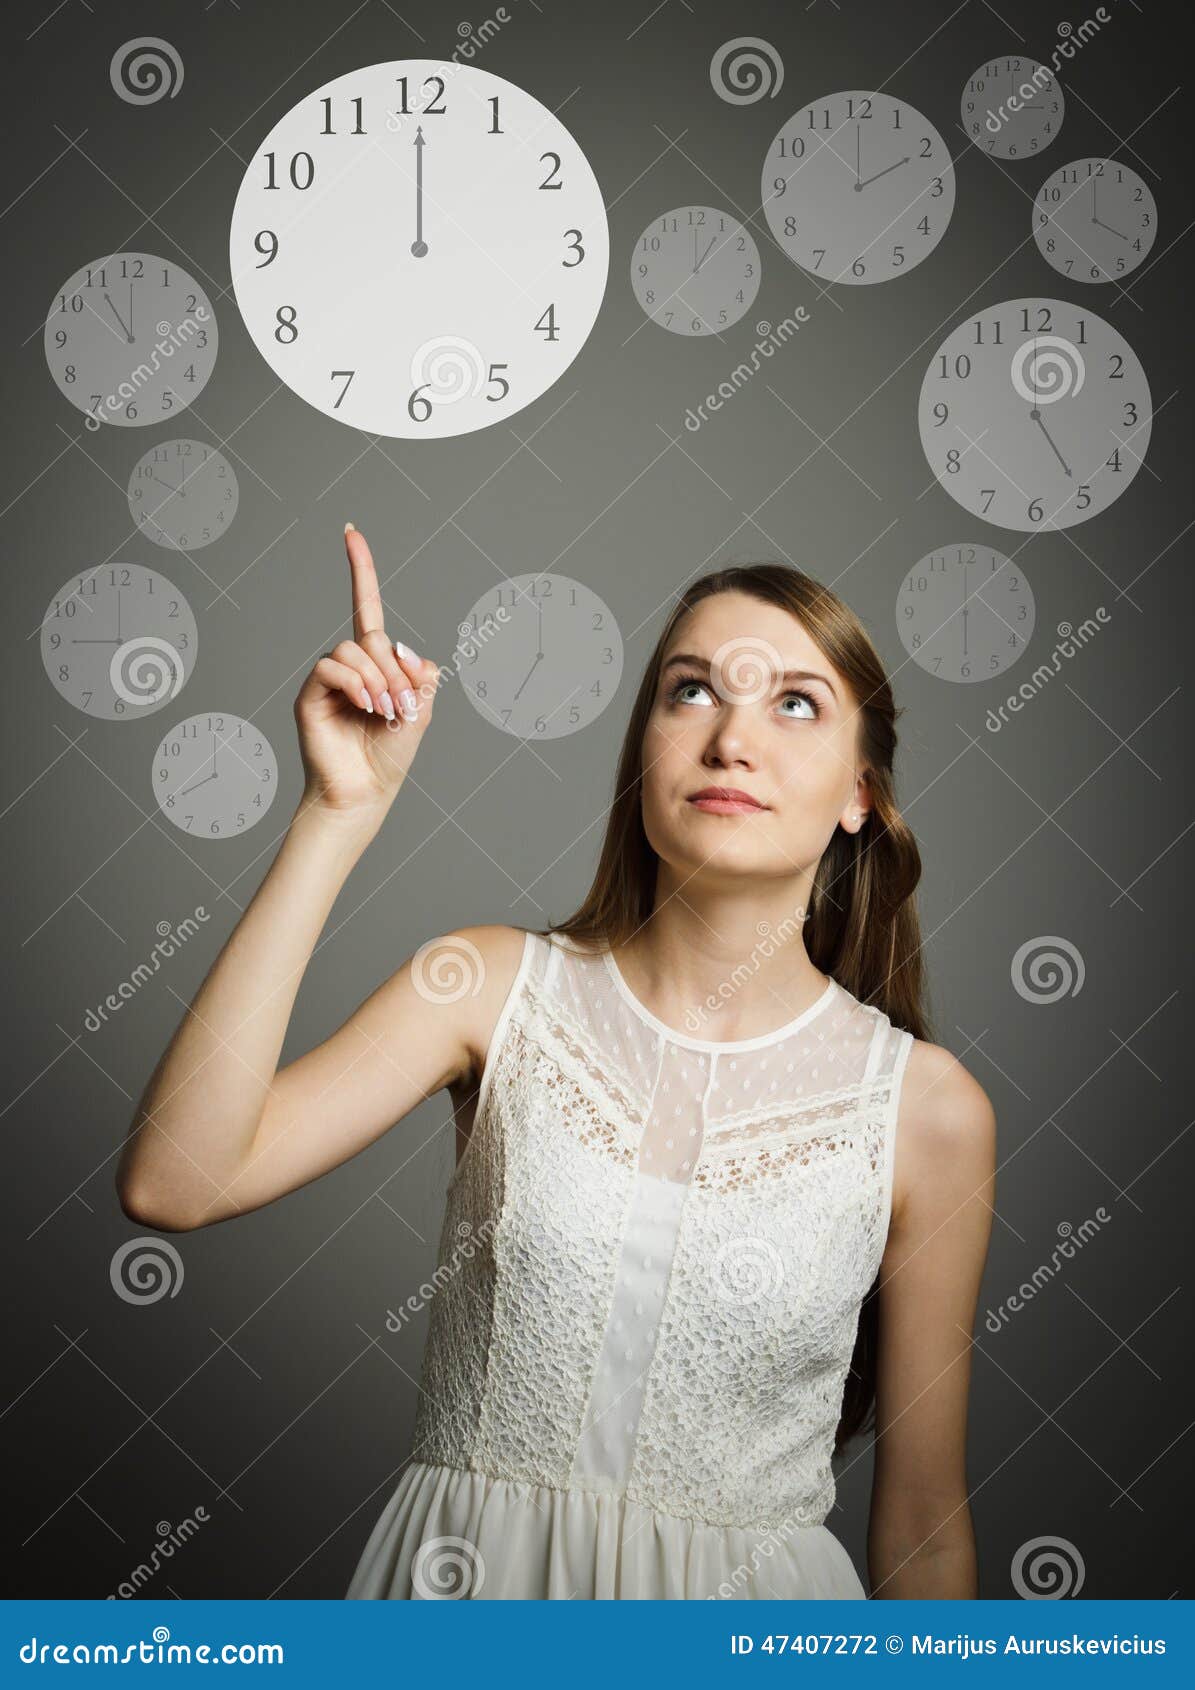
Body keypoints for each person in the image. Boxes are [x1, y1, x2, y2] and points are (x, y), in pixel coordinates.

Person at [117, 524, 996, 1600]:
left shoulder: (925, 1108)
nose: (731, 740)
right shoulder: (486, 987)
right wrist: (336, 814)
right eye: (690, 692)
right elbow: (175, 1179)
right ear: (643, 749)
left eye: (794, 703)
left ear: (861, 792)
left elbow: (922, 1521)